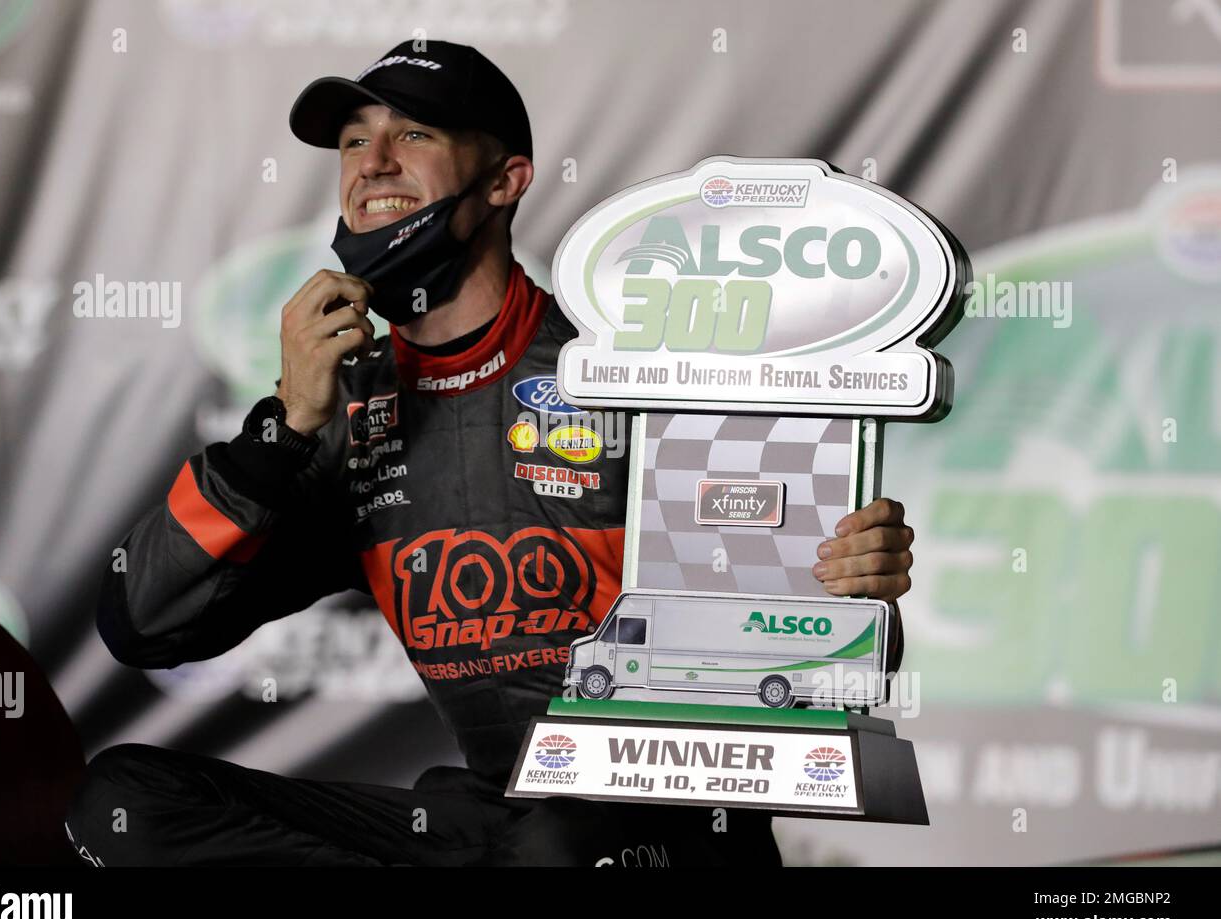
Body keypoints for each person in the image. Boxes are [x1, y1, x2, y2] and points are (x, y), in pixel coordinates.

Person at [64, 39, 916, 866]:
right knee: (126, 804)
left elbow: (800, 660)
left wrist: (844, 584)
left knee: (555, 845)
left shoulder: (632, 361)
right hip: (485, 822)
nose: (373, 162)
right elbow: (141, 624)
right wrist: (281, 429)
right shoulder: (343, 413)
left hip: (667, 825)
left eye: (415, 135)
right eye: (355, 140)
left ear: (506, 180)